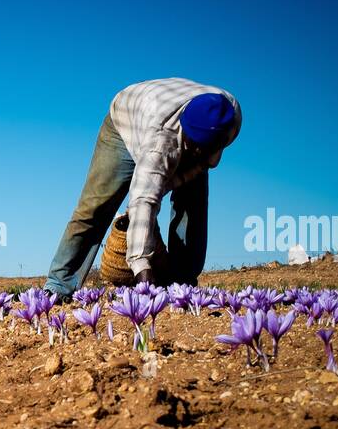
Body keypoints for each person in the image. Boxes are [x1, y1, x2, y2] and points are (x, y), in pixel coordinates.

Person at [45, 79, 241, 294]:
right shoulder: (160, 141)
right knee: (96, 205)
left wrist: (172, 180)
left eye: (202, 149)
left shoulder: (230, 115)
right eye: (192, 146)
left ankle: (182, 285)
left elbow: (204, 163)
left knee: (192, 206)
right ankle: (59, 285)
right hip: (125, 121)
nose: (194, 154)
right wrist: (142, 269)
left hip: (164, 115)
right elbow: (144, 200)